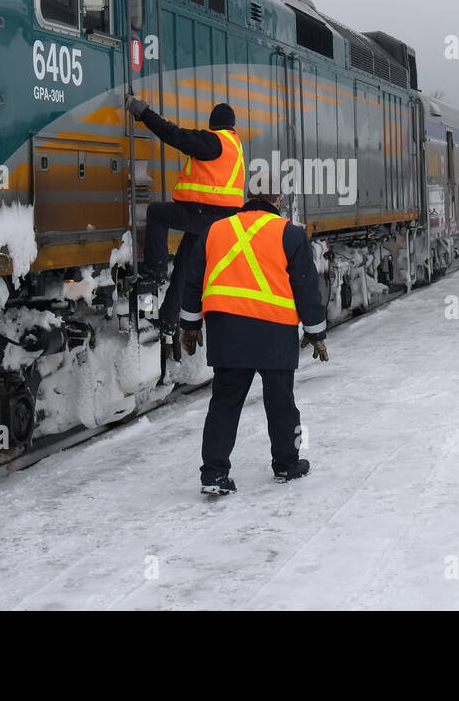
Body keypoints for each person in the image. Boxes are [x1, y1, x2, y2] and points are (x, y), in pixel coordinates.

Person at [179, 188, 328, 496]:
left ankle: (214, 474)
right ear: (280, 200)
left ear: (248, 196)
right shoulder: (290, 234)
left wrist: (189, 327)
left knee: (224, 403)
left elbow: (192, 281)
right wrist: (316, 334)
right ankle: (287, 464)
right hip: (274, 332)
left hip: (227, 332)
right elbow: (306, 288)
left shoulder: (215, 230)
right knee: (281, 401)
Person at [125, 95, 243, 337]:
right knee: (184, 268)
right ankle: (168, 321)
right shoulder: (234, 143)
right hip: (219, 219)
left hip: (205, 214)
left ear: (213, 124)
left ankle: (155, 270)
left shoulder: (213, 142)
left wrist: (145, 113)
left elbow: (174, 135)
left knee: (157, 213)